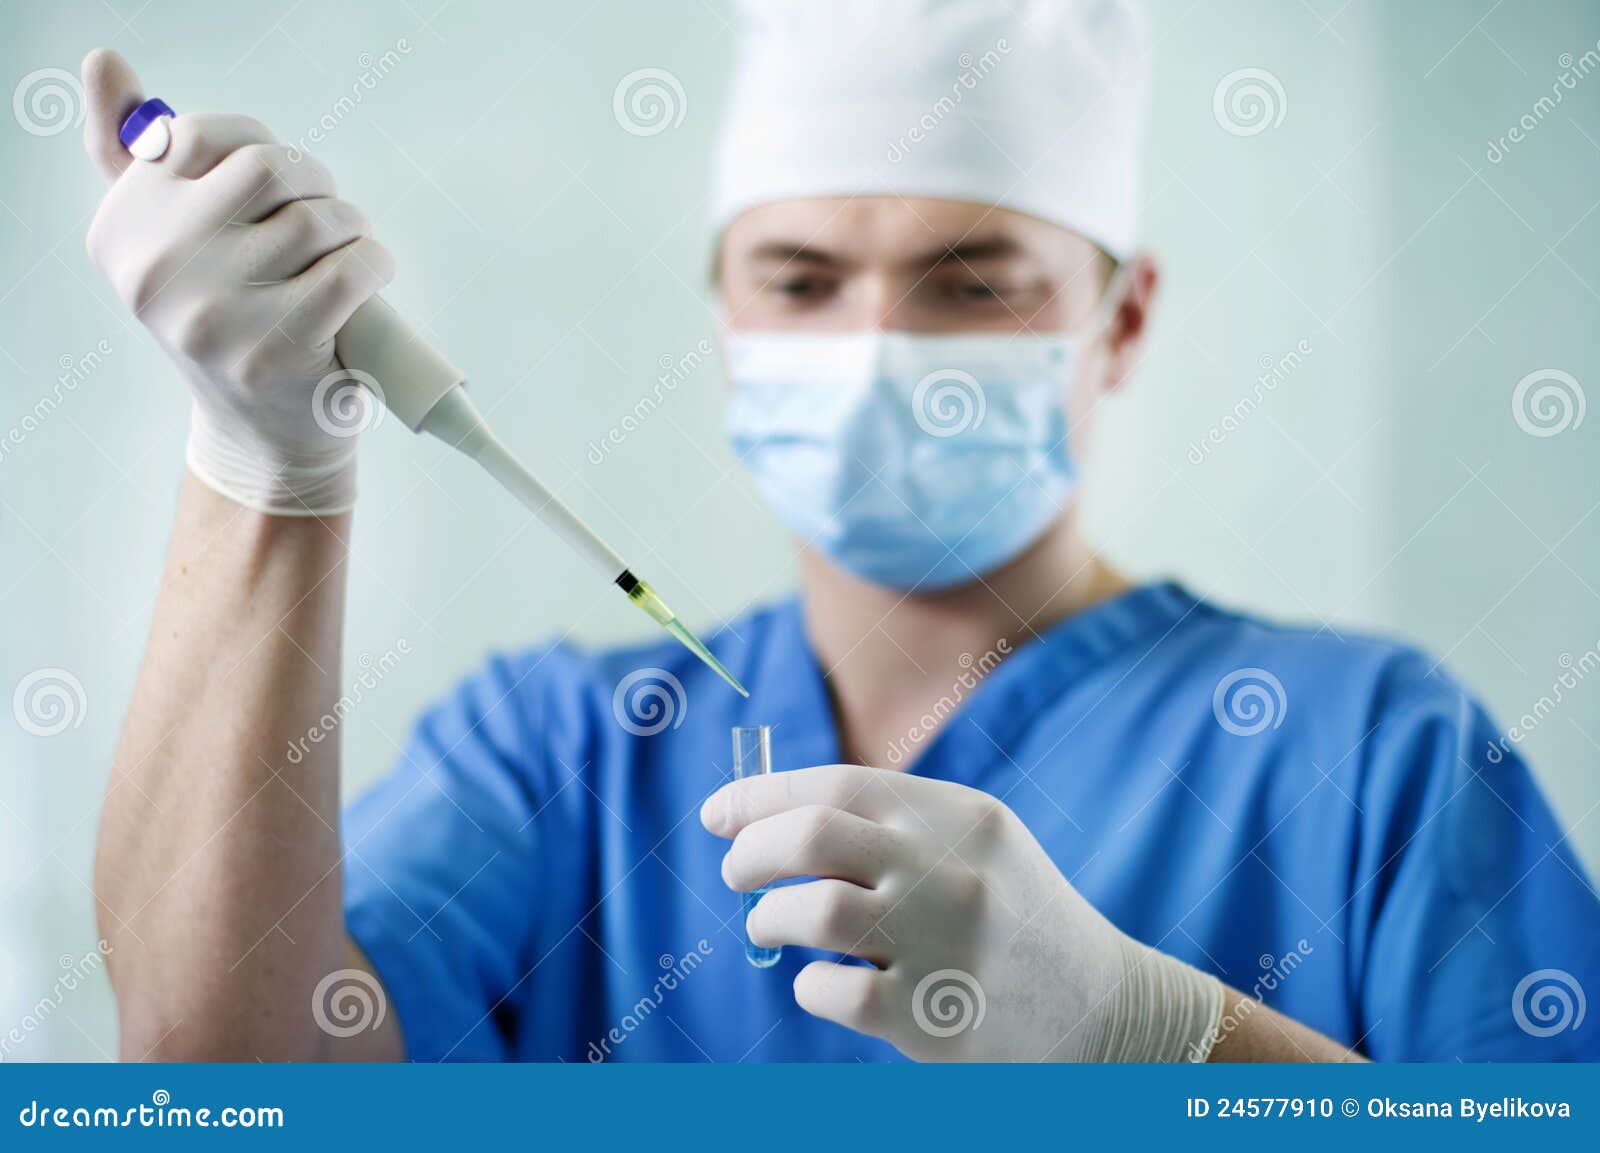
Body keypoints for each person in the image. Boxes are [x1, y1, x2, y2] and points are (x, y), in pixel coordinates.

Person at [84, 0, 1598, 1064]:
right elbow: (213, 1080)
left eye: (971, 279)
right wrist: (262, 456)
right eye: (803, 282)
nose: (879, 346)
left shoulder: (1374, 754)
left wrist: (1158, 1041)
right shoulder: (562, 758)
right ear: (728, 317)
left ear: (1120, 317)